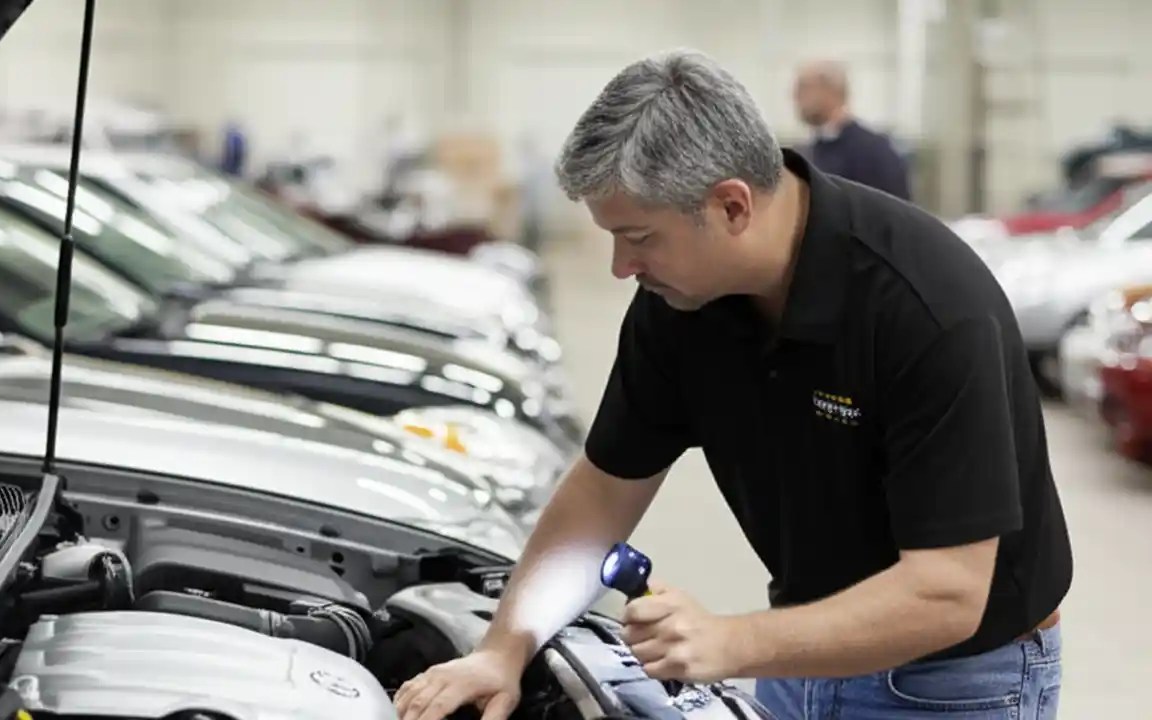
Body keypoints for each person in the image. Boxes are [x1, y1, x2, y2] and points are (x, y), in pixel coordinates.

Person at [393, 48, 1072, 720]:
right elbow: (605, 487)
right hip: (797, 651)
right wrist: (503, 649)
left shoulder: (925, 309)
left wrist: (732, 641)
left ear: (732, 207)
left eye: (638, 236)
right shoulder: (680, 304)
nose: (621, 266)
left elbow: (949, 593)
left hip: (952, 681)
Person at [794, 59, 912, 201]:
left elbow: (897, 213)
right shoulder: (811, 151)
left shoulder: (874, 151)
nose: (795, 97)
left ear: (831, 91)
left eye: (803, 88)